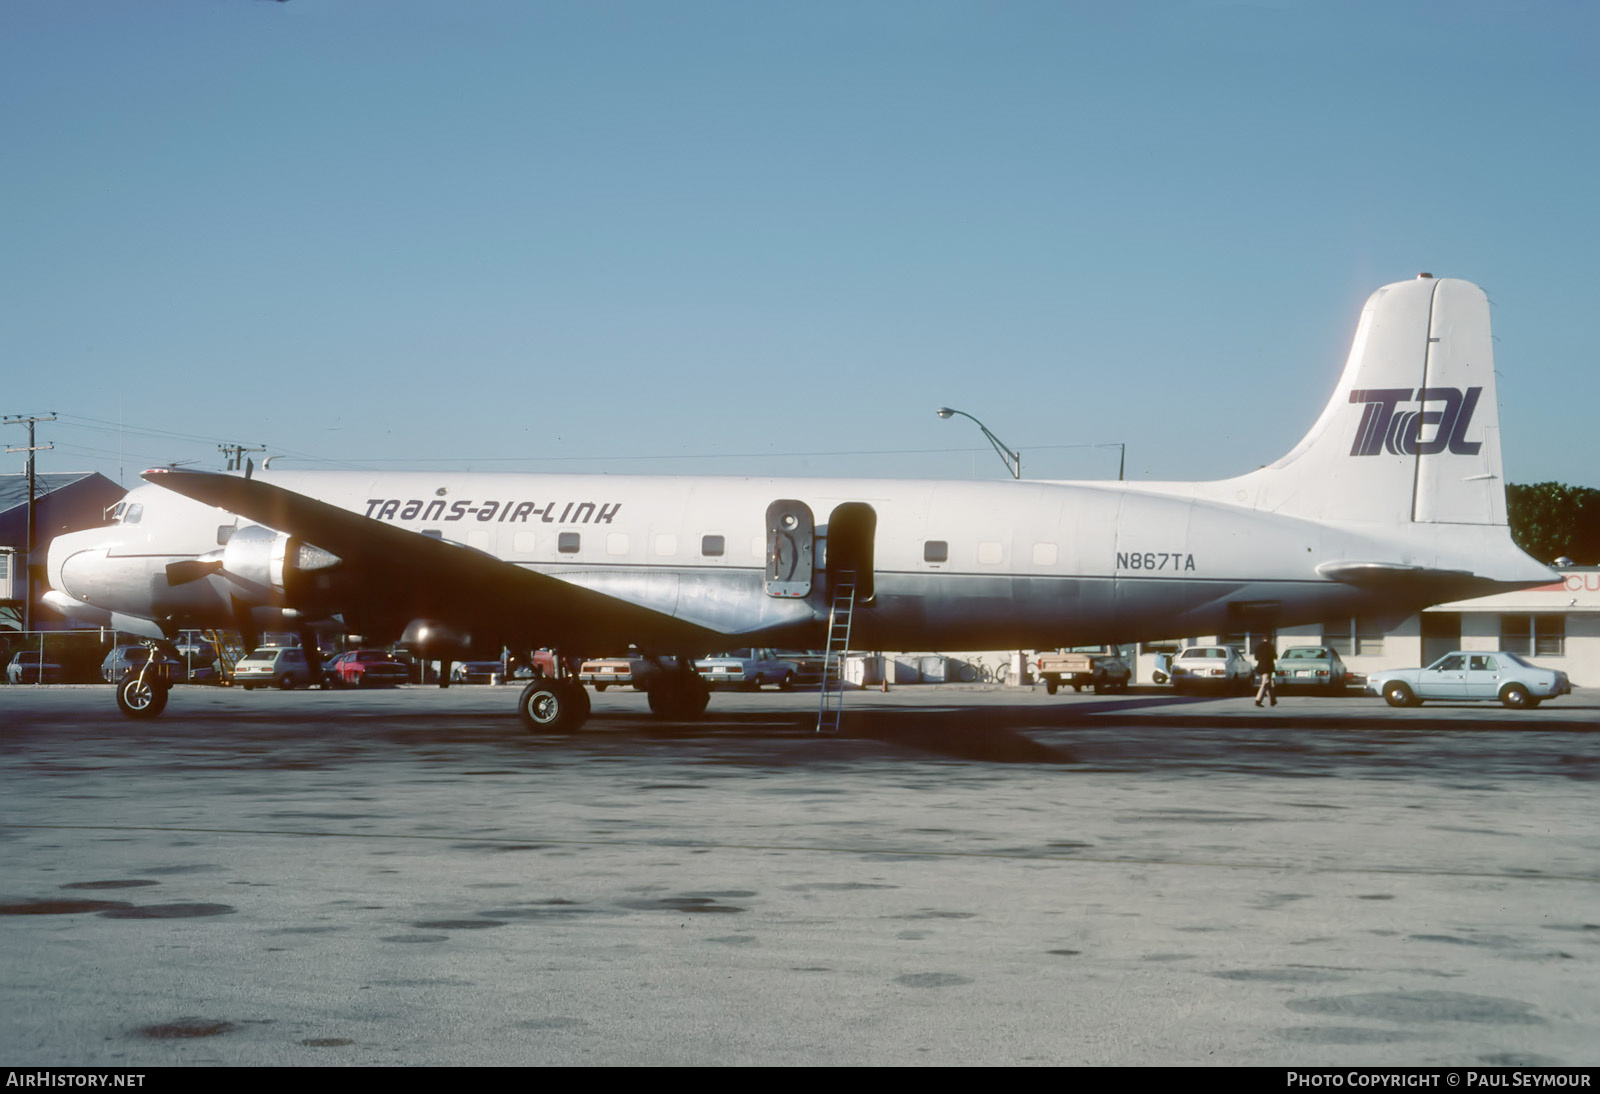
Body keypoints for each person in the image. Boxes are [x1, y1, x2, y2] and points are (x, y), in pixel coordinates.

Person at [1253, 637, 1277, 707]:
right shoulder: (1271, 646)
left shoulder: (1258, 646)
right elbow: (1275, 656)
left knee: (1268, 683)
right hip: (1268, 667)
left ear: (1263, 639)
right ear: (1269, 639)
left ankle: (1272, 700)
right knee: (1265, 683)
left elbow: (1256, 658)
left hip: (1261, 667)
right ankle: (1258, 700)